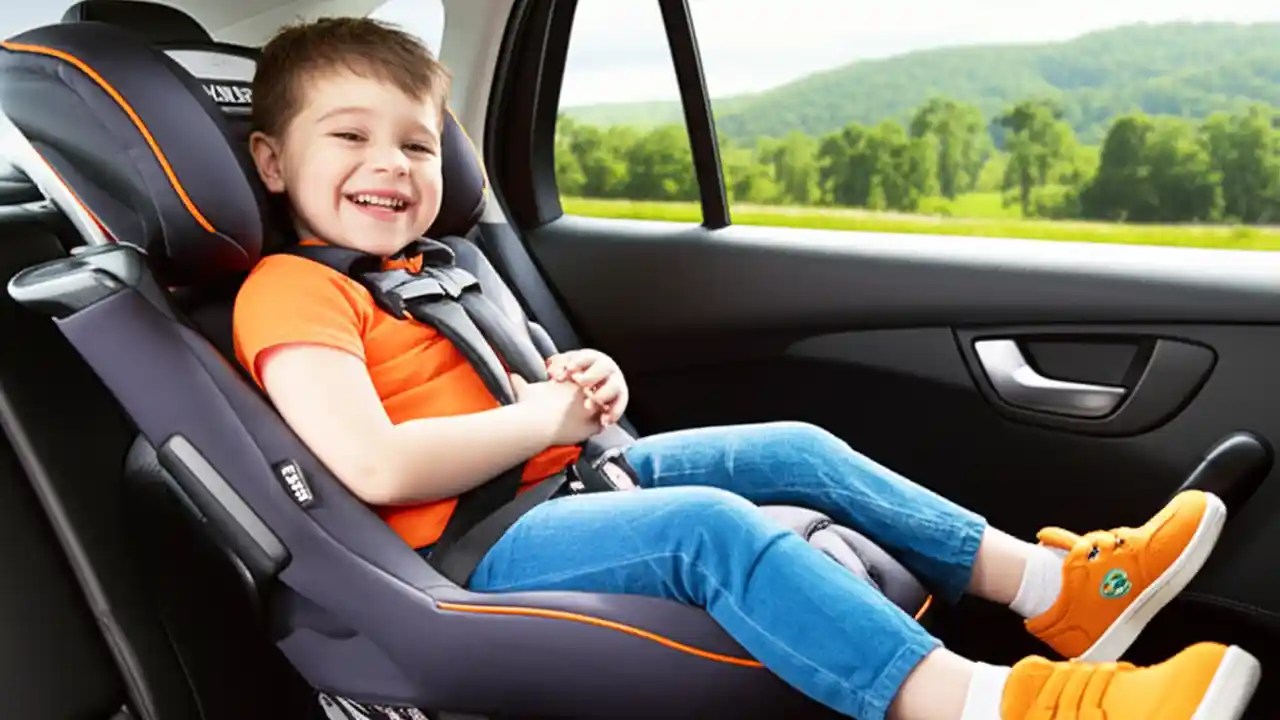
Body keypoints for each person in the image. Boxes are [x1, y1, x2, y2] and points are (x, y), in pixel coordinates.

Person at [231, 17, 1261, 720]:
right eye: (350, 136)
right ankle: (987, 701)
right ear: (273, 163)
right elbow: (373, 466)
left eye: (416, 145)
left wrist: (580, 387)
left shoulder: (435, 269)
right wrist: (542, 424)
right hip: (470, 546)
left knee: (793, 446)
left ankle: (1060, 587)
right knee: (709, 528)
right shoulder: (290, 290)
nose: (392, 166)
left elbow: (501, 388)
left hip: (563, 477)